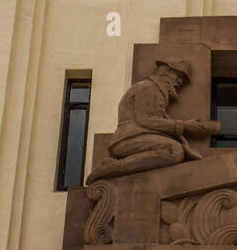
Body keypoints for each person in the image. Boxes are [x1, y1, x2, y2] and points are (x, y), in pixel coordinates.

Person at [86, 59, 220, 182]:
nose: (180, 82)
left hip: (140, 136)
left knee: (176, 149)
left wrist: (187, 129)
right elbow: (146, 119)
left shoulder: (157, 91)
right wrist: (184, 126)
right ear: (165, 72)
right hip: (128, 138)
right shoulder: (148, 87)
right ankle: (115, 167)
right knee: (174, 150)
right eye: (178, 77)